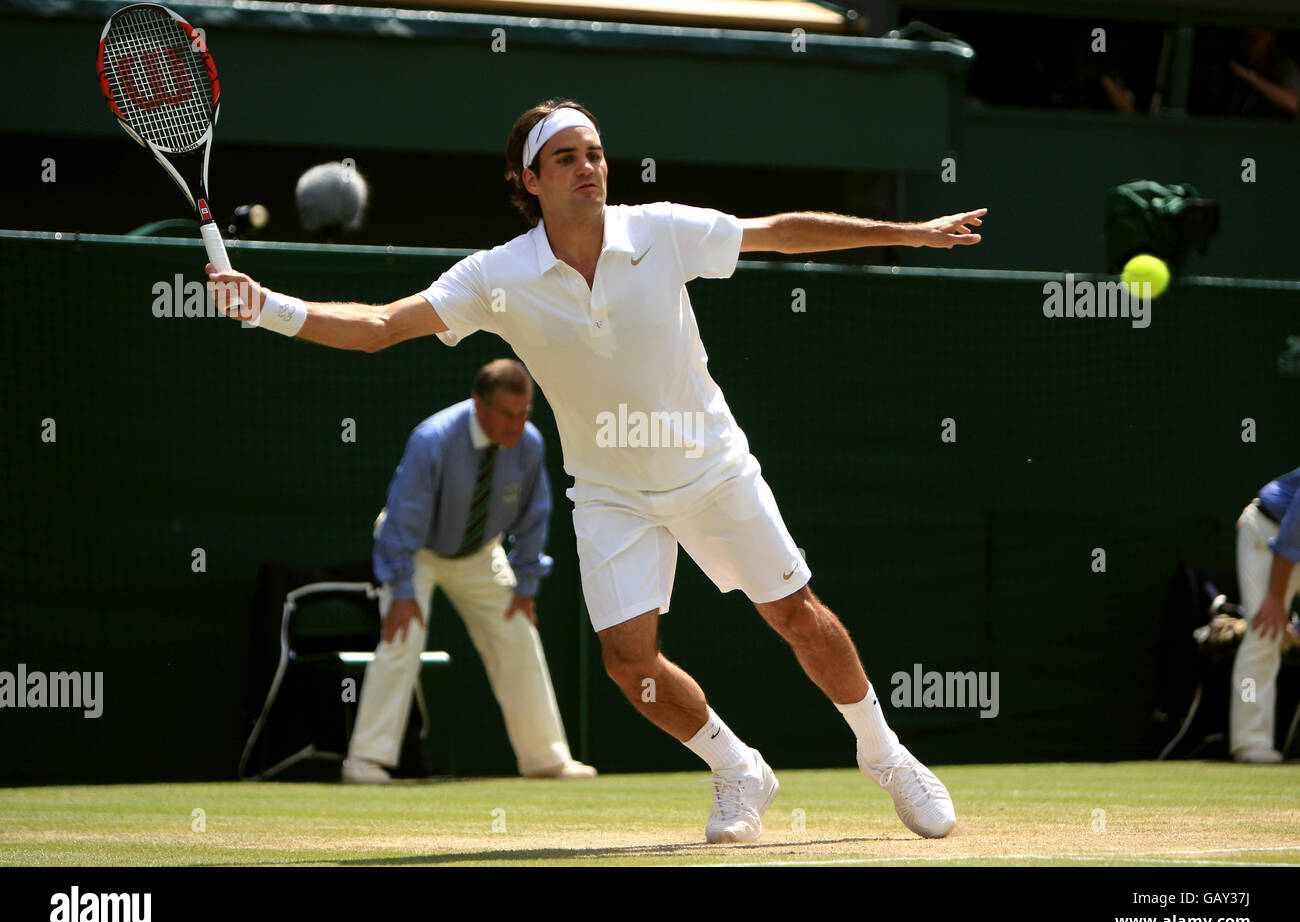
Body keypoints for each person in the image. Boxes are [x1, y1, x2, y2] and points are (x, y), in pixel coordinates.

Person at [209, 98, 986, 842]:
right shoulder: (494, 276)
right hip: (611, 494)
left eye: (595, 153)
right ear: (529, 181)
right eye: (566, 157)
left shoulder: (663, 231)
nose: (589, 167)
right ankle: (738, 768)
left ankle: (885, 755)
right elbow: (382, 327)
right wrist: (268, 306)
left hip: (712, 467)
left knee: (797, 616)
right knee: (628, 663)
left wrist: (909, 233)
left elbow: (779, 232)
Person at [342, 359, 596, 782]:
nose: (515, 425)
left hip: (481, 551)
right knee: (401, 638)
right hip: (416, 552)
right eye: (506, 414)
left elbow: (535, 518)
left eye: (523, 414)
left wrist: (525, 586)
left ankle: (546, 760)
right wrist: (402, 593)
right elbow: (401, 523)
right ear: (479, 405)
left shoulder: (530, 444)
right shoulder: (433, 440)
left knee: (519, 635)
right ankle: (365, 761)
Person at [1229, 466, 1300, 763]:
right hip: (1268, 533)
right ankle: (1251, 742)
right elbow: (1294, 531)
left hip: (1289, 540)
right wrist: (1275, 597)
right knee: (1265, 632)